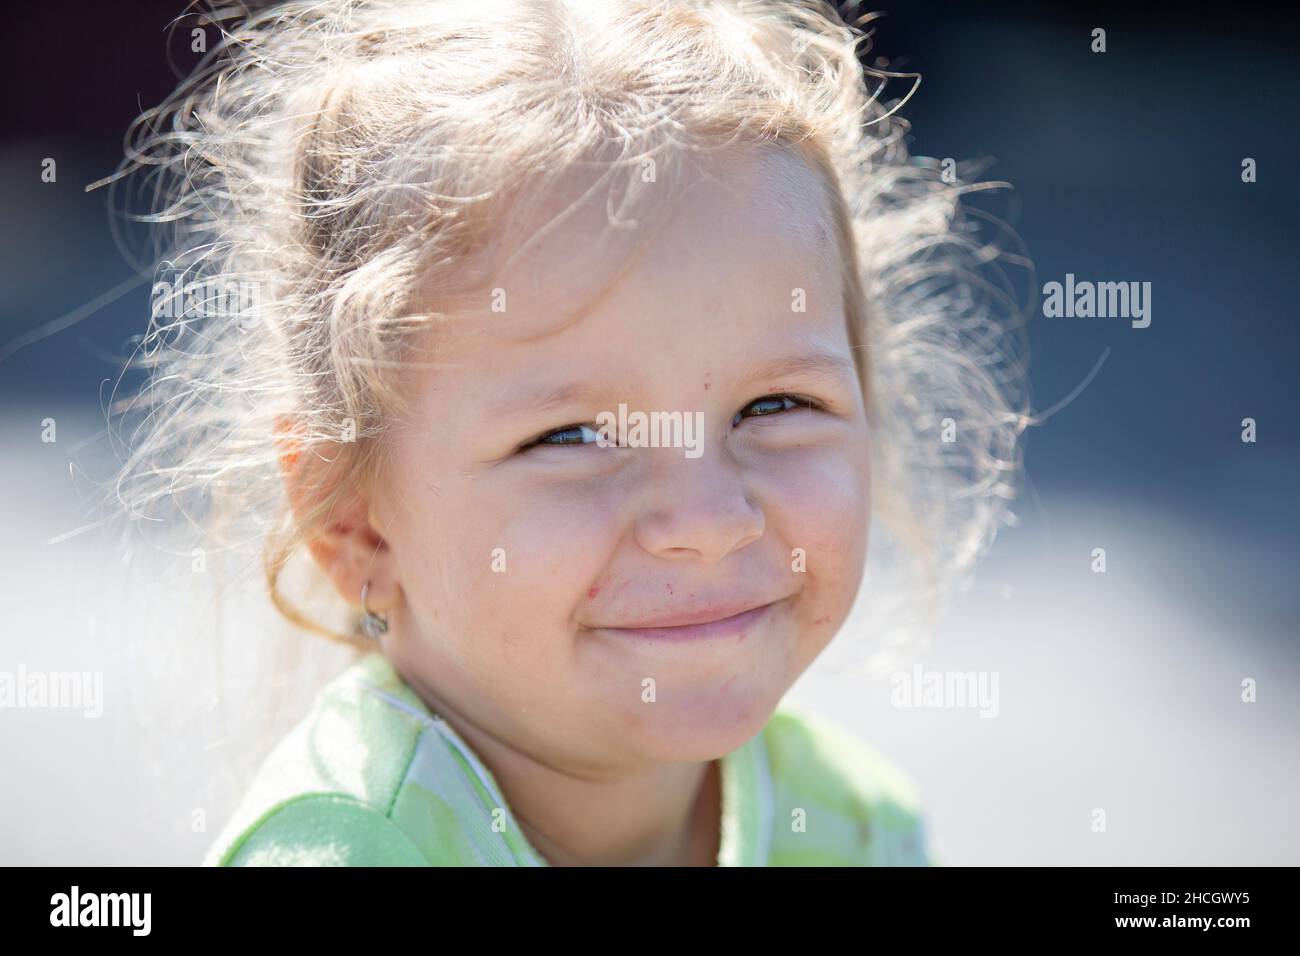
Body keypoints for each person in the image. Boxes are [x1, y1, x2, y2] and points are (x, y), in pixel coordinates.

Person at [109, 0, 1026, 866]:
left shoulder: (855, 826)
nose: (708, 519)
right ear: (356, 522)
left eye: (774, 407)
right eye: (575, 434)